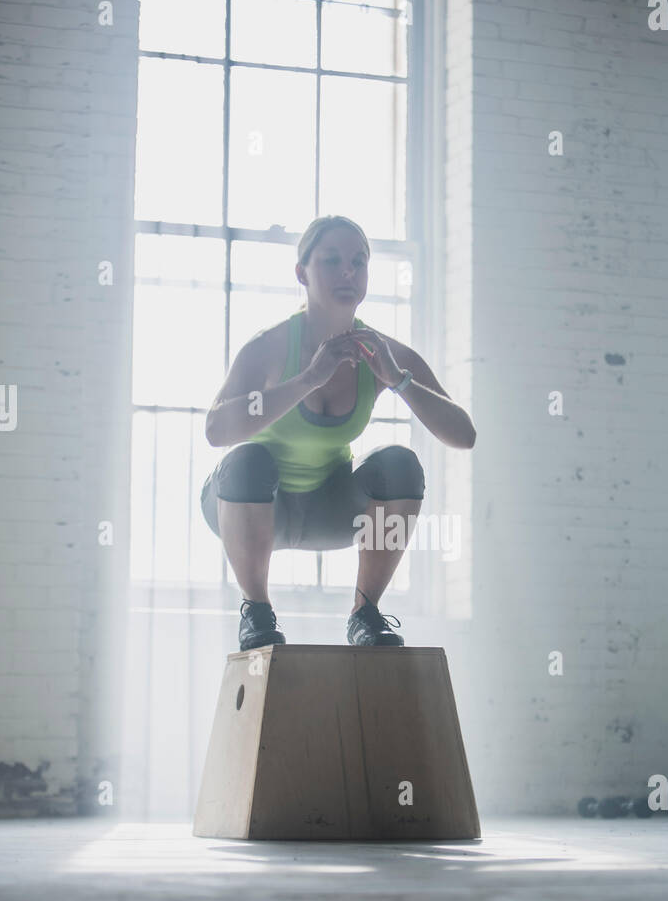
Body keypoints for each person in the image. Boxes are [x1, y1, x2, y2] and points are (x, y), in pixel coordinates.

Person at [200, 214, 476, 649]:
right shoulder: (271, 346)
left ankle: (364, 615)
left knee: (399, 464)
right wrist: (308, 379)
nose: (347, 272)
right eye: (331, 261)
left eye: (358, 262)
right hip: (252, 508)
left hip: (328, 513)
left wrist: (399, 379)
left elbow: (464, 434)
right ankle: (256, 611)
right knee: (247, 460)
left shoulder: (383, 350)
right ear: (301, 273)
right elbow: (216, 429)